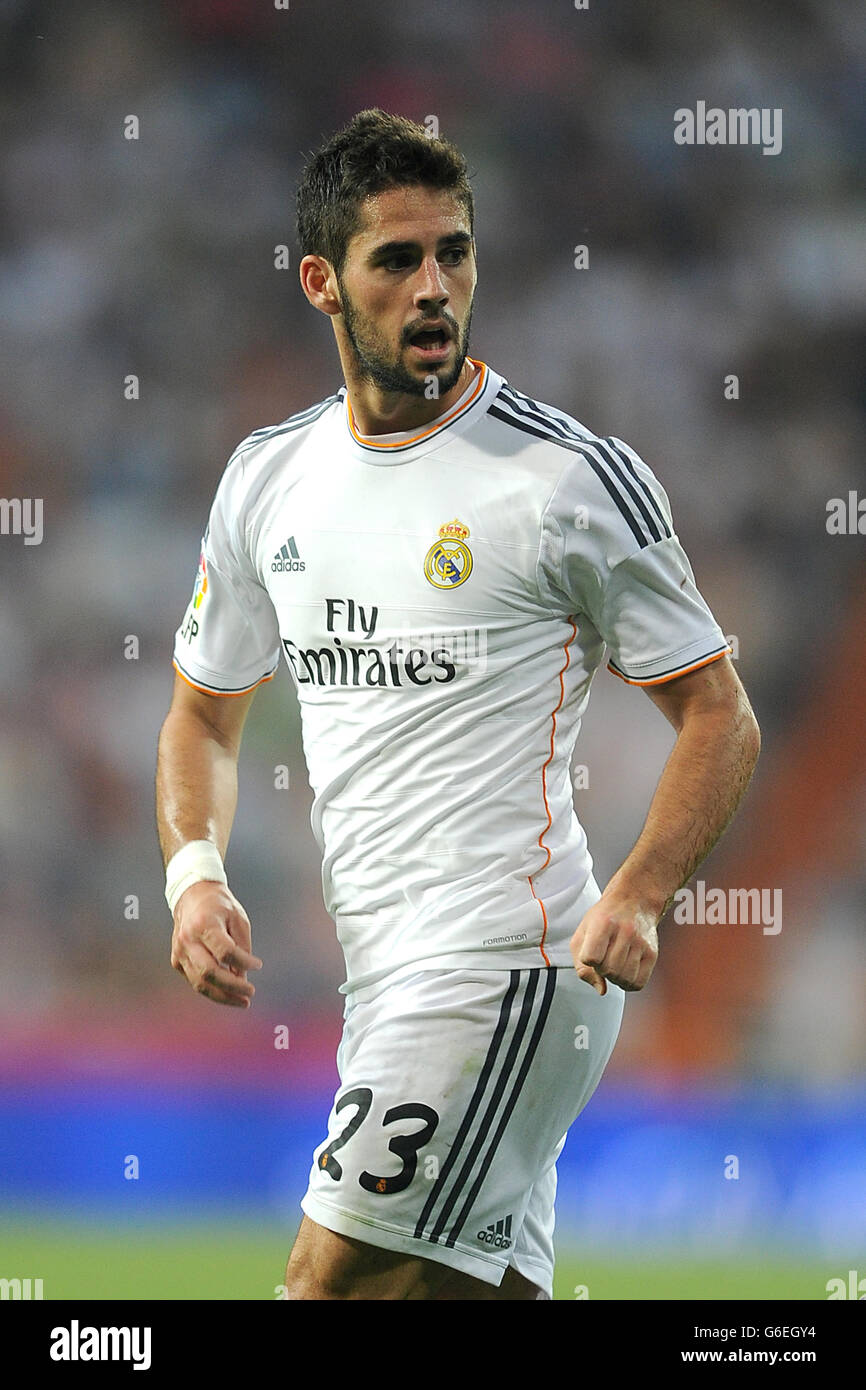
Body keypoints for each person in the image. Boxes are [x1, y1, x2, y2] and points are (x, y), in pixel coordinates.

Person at [155, 109, 760, 1301]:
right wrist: (192, 876)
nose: (435, 287)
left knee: (321, 1285)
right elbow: (201, 714)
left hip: (509, 964)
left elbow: (719, 713)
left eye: (455, 254)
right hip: (380, 979)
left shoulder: (565, 480)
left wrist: (638, 893)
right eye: (397, 260)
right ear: (323, 283)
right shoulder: (267, 479)